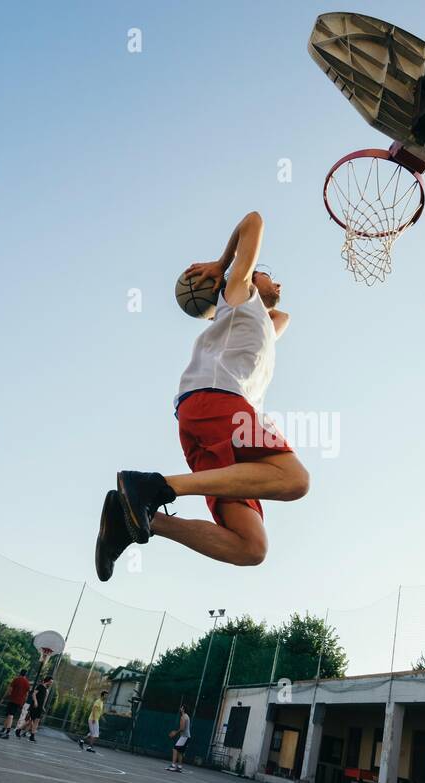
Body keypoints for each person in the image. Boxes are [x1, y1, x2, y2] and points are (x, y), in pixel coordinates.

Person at [95, 211, 309, 582]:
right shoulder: (239, 294)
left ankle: (135, 517)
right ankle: (155, 486)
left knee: (250, 547)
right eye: (265, 272)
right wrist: (223, 265)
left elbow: (283, 319)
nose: (276, 280)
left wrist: (261, 295)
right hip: (219, 402)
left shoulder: (253, 317)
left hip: (205, 415)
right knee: (294, 480)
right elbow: (253, 221)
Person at [0, 669, 31, 739]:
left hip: (13, 700)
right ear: (26, 674)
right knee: (9, 715)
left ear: (20, 673)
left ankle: (8, 732)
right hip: (20, 702)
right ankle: (3, 728)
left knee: (10, 715)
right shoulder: (27, 683)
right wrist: (23, 703)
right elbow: (27, 695)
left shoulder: (16, 680)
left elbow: (9, 690)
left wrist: (3, 698)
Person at [19, 676, 52, 743]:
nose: (51, 683)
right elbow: (34, 694)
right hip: (35, 706)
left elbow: (44, 700)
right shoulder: (40, 686)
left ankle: (29, 735)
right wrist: (36, 702)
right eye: (50, 682)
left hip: (39, 707)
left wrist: (43, 706)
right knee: (32, 721)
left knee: (34, 721)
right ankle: (24, 732)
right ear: (47, 681)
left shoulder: (46, 690)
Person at [167, 704, 192, 773]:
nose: (180, 708)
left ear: (183, 709)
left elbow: (182, 728)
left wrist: (175, 732)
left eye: (181, 708)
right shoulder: (187, 716)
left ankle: (173, 766)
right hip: (186, 736)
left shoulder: (183, 717)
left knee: (175, 749)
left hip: (184, 737)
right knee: (180, 752)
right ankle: (179, 767)